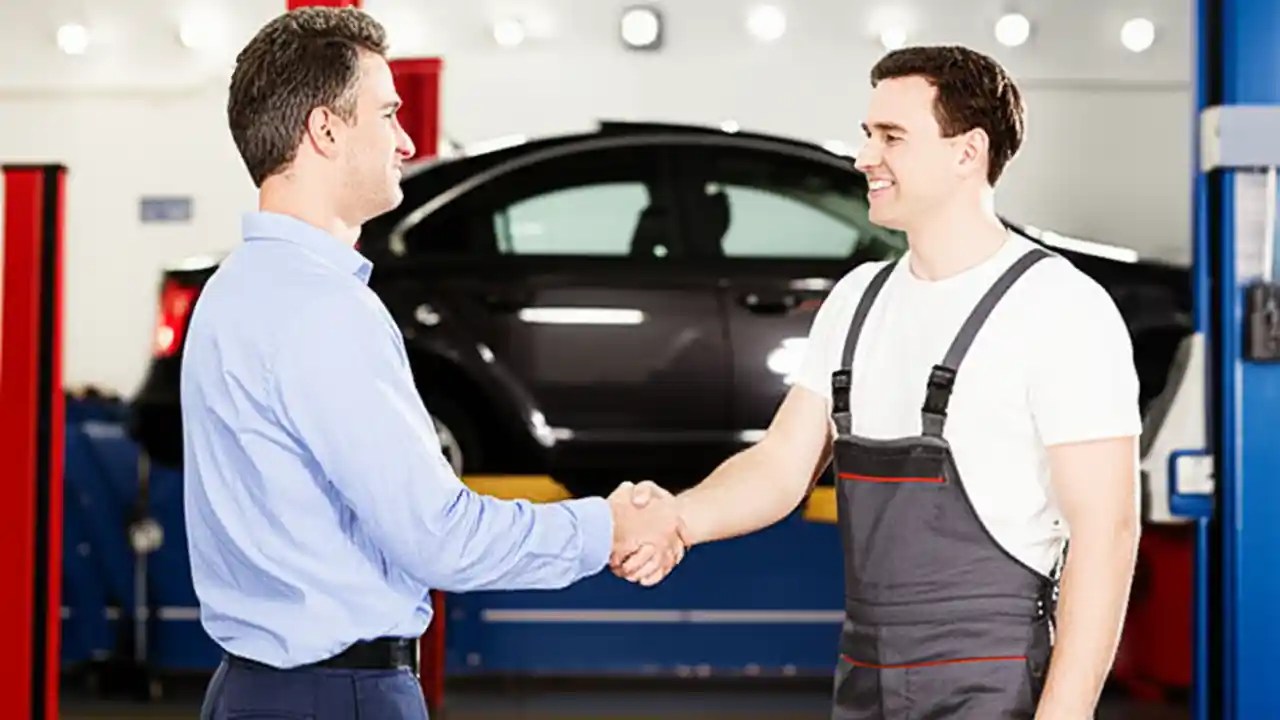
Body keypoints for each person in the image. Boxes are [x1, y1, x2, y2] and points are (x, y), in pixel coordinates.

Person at [181, 8, 684, 720]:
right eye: (387, 115)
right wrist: (609, 528)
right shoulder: (323, 308)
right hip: (338, 696)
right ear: (325, 130)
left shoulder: (230, 292)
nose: (407, 140)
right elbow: (439, 537)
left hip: (250, 690)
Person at [617, 45, 1142, 718]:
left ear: (968, 152)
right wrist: (678, 520)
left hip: (995, 680)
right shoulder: (858, 299)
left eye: (891, 137)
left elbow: (1107, 530)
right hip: (865, 673)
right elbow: (782, 466)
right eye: (868, 135)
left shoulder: (1059, 308)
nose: (865, 157)